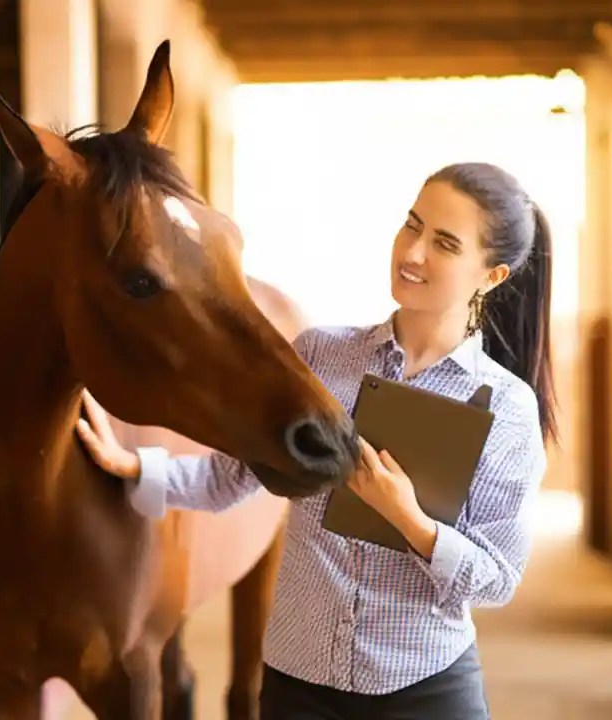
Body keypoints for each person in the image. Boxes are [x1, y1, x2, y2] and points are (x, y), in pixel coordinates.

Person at [75, 161, 556, 720]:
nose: (413, 252)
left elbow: (496, 579)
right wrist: (132, 466)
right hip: (297, 683)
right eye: (412, 224)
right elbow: (233, 477)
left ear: (491, 276)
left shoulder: (506, 408)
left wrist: (410, 521)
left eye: (445, 243)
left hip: (424, 686)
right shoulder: (319, 356)